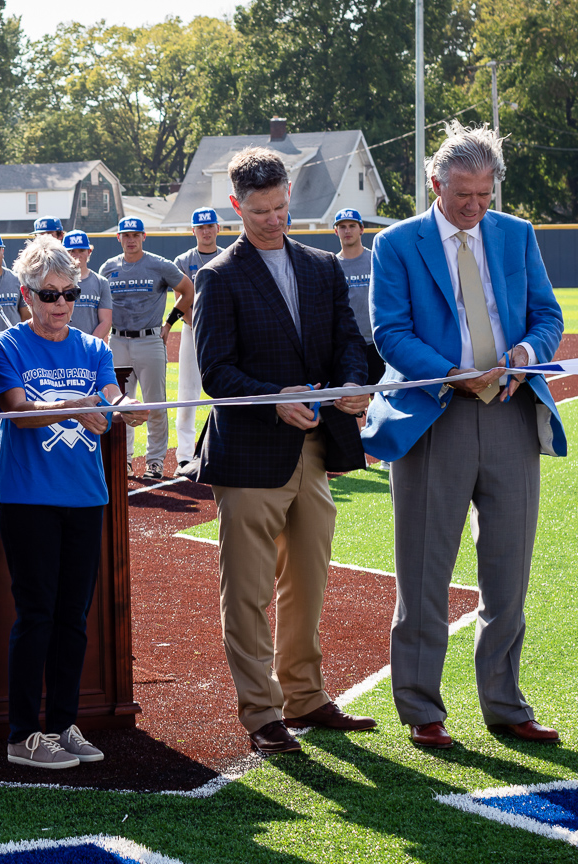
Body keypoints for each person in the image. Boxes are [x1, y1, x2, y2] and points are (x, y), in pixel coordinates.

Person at [362, 125, 567, 749]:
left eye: (485, 193)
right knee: (424, 573)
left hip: (510, 412)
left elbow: (548, 316)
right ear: (434, 184)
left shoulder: (517, 234)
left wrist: (527, 352)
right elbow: (389, 332)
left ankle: (505, 705)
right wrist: (449, 373)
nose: (475, 205)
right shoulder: (397, 244)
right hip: (435, 415)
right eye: (462, 194)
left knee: (509, 576)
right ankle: (422, 708)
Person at [192, 148, 376, 757]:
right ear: (235, 205)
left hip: (316, 451)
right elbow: (216, 371)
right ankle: (261, 712)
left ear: (290, 192)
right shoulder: (218, 276)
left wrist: (352, 383)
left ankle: (305, 695)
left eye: (279, 207)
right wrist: (274, 398)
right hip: (249, 457)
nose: (272, 219)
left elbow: (349, 342)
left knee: (308, 580)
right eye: (259, 211)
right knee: (247, 591)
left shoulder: (322, 266)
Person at [0, 237, 148, 769]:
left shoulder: (93, 348)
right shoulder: (6, 347)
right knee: (36, 614)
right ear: (25, 294)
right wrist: (75, 405)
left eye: (70, 293)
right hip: (27, 498)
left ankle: (60, 723)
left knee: (73, 618)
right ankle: (20, 735)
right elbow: (17, 412)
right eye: (49, 294)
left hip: (86, 497)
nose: (60, 304)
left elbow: (110, 402)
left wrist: (128, 409)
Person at [101, 216, 192, 479]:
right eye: (125, 235)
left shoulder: (158, 264)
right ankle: (124, 458)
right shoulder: (108, 268)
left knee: (155, 403)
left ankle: (154, 461)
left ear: (144, 237)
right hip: (117, 340)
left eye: (135, 235)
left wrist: (169, 323)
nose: (130, 240)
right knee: (119, 403)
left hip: (150, 340)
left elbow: (188, 290)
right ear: (118, 238)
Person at [171, 207, 223, 478]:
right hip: (192, 330)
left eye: (209, 226)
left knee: (228, 389)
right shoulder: (183, 260)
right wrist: (194, 321)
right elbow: (182, 299)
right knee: (187, 394)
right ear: (193, 231)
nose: (205, 231)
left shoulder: (228, 256)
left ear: (218, 228)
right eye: (200, 227)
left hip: (223, 331)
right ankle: (184, 456)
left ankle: (228, 447)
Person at [331, 208, 379, 383]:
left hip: (377, 342)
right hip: (348, 345)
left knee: (380, 397)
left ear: (362, 229)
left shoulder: (376, 260)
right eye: (342, 226)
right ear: (336, 231)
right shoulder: (332, 265)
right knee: (353, 400)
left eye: (352, 225)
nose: (347, 230)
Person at [64, 232, 113, 342]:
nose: (77, 255)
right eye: (71, 251)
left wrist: (88, 343)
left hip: (91, 347)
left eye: (81, 250)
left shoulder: (101, 282)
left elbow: (106, 321)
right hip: (63, 345)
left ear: (89, 252)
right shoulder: (57, 282)